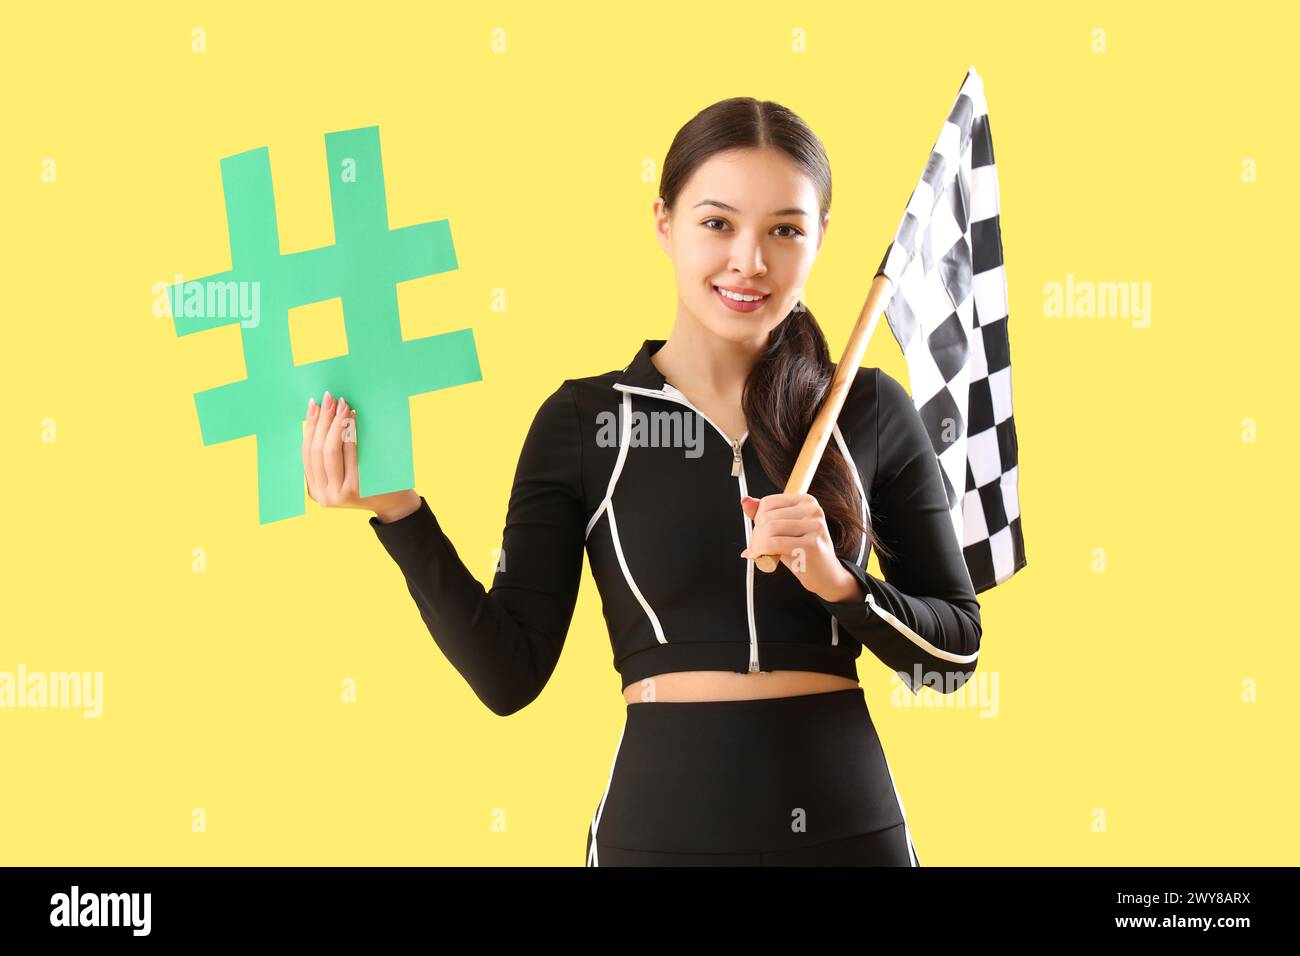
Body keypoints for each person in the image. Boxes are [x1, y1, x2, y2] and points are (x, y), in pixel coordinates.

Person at [300, 97, 982, 867]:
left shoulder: (869, 408)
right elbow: (507, 675)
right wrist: (400, 513)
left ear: (822, 235)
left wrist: (841, 586)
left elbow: (953, 660)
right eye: (717, 223)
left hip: (851, 837)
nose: (749, 261)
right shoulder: (582, 422)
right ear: (664, 222)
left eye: (785, 229)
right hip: (654, 841)